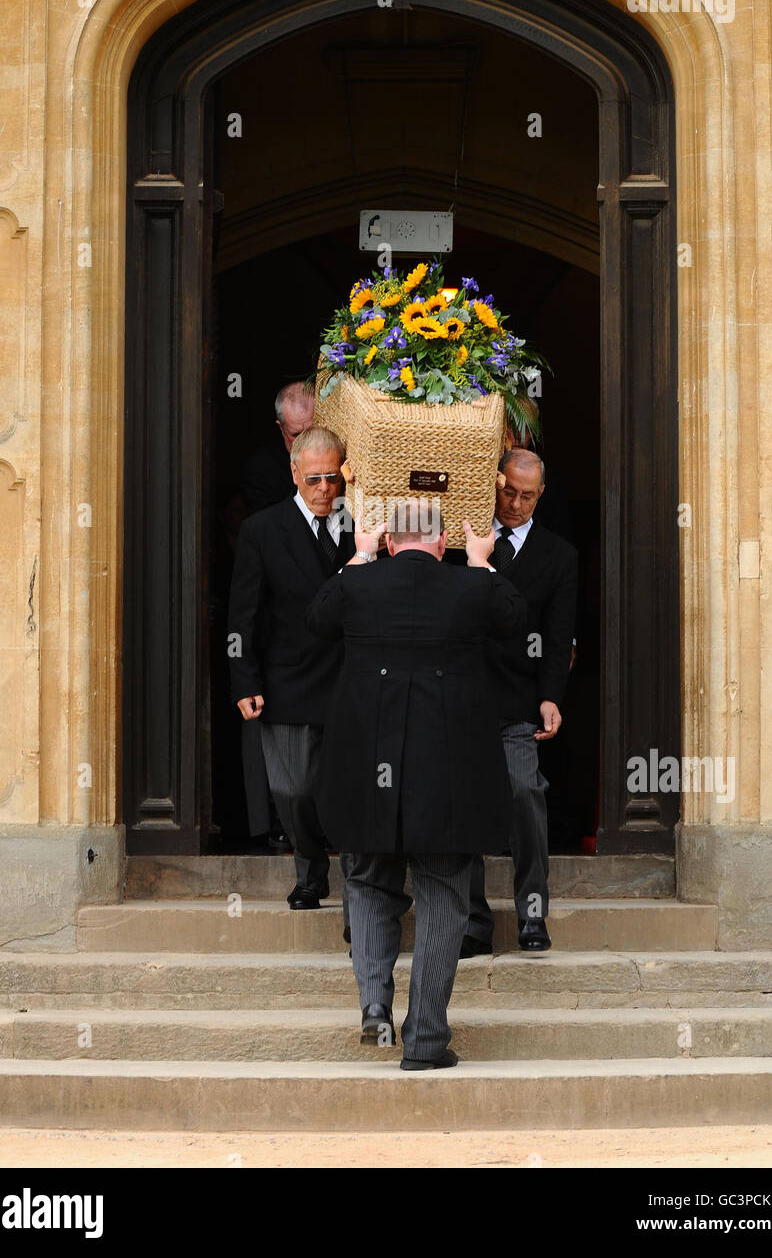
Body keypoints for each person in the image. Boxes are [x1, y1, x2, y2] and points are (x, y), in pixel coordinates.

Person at [306, 503, 525, 1069]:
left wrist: (358, 553)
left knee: (368, 882)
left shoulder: (356, 582)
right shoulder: (469, 586)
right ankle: (426, 1041)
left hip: (365, 775)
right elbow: (516, 617)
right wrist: (481, 562)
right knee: (443, 898)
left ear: (388, 538)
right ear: (443, 538)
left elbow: (315, 620)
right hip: (446, 779)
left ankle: (376, 1006)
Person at [227, 425, 354, 908]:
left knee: (346, 786)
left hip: (348, 678)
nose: (324, 489)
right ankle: (311, 864)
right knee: (292, 788)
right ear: (294, 472)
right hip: (287, 679)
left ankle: (350, 885)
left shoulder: (360, 525)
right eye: (314, 479)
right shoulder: (262, 529)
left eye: (333, 479)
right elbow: (244, 615)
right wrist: (245, 679)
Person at [462, 449, 578, 956]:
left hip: (518, 700)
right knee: (461, 803)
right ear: (495, 483)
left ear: (541, 495)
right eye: (508, 491)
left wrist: (551, 697)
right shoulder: (462, 539)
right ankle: (471, 922)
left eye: (527, 496)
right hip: (463, 697)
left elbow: (558, 638)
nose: (515, 504)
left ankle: (533, 912)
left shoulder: (559, 555)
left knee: (524, 793)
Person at [240, 381, 315, 517]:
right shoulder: (261, 470)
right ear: (281, 428)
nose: (305, 442)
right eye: (296, 435)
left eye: (311, 431)